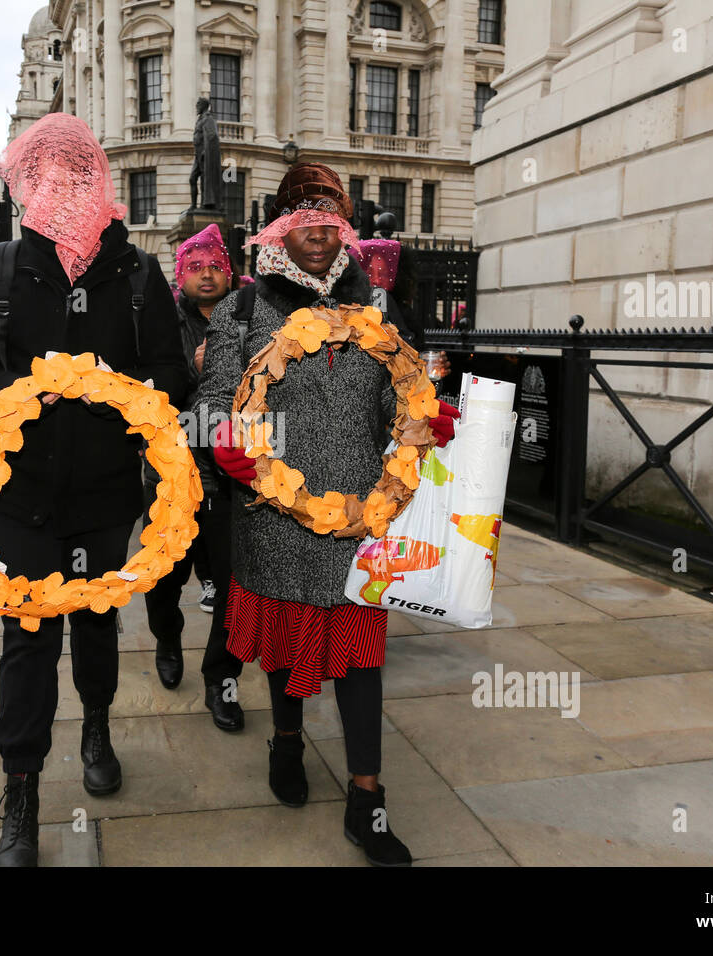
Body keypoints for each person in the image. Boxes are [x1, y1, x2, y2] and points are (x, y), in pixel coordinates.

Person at [193, 163, 460, 867]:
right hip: (275, 508)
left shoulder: (375, 302)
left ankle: (367, 800)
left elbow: (396, 395)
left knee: (362, 659)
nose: (316, 226)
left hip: (362, 513)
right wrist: (226, 441)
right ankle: (286, 743)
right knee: (286, 646)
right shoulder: (244, 311)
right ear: (280, 225)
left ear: (346, 226)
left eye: (329, 214)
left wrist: (426, 421)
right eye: (301, 212)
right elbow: (214, 396)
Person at [0, 113, 186, 868]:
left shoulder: (141, 276)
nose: (62, 186)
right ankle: (20, 789)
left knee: (93, 629)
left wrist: (120, 395)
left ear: (97, 179)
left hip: (105, 496)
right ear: (29, 183)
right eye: (47, 173)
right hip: (19, 498)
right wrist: (29, 392)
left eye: (76, 172)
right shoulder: (2, 270)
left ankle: (96, 726)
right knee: (26, 640)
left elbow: (173, 376)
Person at [143, 224, 244, 731]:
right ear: (180, 275)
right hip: (172, 472)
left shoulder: (251, 319)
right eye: (195, 267)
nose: (207, 275)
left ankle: (220, 680)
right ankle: (166, 635)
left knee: (232, 584)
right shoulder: (161, 320)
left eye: (215, 266)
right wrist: (194, 370)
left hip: (235, 476)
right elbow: (149, 390)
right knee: (164, 577)